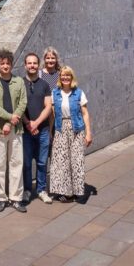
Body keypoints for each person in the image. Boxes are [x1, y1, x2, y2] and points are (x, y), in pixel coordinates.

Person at [0, 48, 27, 212]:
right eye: (2, 63)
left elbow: (23, 102)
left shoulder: (19, 81)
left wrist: (14, 118)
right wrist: (9, 117)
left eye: (8, 63)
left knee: (16, 163)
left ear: (11, 64)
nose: (5, 66)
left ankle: (16, 198)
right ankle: (1, 198)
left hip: (16, 129)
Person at [50, 66, 92, 202]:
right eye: (63, 75)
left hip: (76, 129)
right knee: (62, 161)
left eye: (68, 75)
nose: (65, 78)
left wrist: (88, 133)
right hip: (60, 128)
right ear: (60, 77)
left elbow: (85, 114)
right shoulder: (55, 93)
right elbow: (52, 114)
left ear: (72, 77)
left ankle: (78, 191)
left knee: (76, 160)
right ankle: (66, 192)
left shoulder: (79, 93)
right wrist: (51, 131)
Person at [22, 53, 53, 204]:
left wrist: (36, 123)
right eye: (29, 63)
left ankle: (41, 190)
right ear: (25, 65)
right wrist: (28, 124)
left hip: (43, 130)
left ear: (38, 65)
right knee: (27, 163)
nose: (32, 66)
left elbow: (48, 107)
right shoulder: (19, 83)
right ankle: (27, 190)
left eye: (35, 63)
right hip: (25, 131)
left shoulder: (44, 84)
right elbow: (18, 107)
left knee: (41, 162)